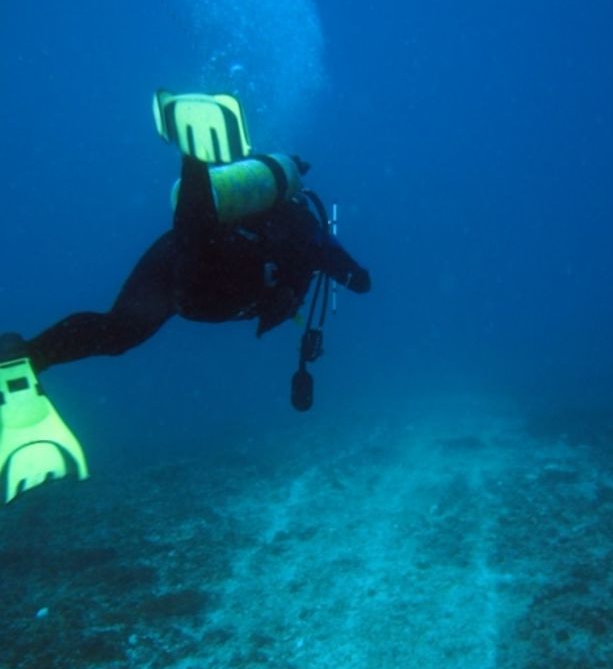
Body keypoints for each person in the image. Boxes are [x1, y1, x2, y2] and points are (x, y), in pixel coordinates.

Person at [0, 91, 371, 502]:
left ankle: (26, 354)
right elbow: (357, 278)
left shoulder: (267, 219)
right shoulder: (304, 225)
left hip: (173, 259)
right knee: (200, 255)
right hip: (215, 288)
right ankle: (194, 158)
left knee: (118, 330)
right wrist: (348, 270)